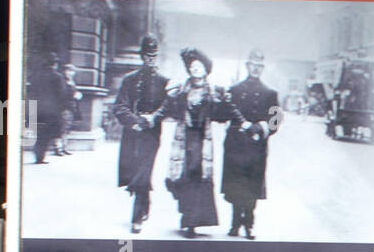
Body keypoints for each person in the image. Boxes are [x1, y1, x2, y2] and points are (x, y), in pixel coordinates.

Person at [163, 48, 251, 238]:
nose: (195, 69)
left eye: (199, 66)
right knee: (184, 176)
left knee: (198, 176)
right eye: (192, 66)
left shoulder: (213, 92)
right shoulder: (181, 90)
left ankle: (193, 223)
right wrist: (161, 107)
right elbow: (168, 109)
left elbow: (227, 110)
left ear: (206, 70)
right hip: (185, 139)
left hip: (202, 140)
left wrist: (242, 120)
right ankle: (187, 218)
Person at [223, 49, 281, 240]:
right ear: (247, 66)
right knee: (235, 185)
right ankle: (234, 224)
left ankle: (249, 224)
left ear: (262, 69)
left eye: (259, 66)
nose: (255, 69)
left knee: (252, 186)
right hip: (236, 145)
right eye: (252, 65)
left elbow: (275, 121)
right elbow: (225, 115)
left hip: (257, 147)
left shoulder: (270, 93)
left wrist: (260, 127)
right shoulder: (234, 90)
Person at [115, 34, 168, 232]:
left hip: (152, 134)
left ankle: (136, 217)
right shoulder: (129, 80)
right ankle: (145, 201)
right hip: (133, 133)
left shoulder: (164, 82)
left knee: (143, 171)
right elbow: (119, 106)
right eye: (147, 55)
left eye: (154, 55)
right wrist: (134, 122)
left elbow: (169, 107)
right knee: (136, 171)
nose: (151, 59)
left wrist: (154, 118)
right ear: (141, 56)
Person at [28, 53, 72, 164]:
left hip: (36, 109)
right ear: (55, 64)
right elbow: (62, 94)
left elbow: (30, 91)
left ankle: (38, 156)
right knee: (46, 135)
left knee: (38, 133)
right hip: (51, 111)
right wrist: (63, 108)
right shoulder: (57, 76)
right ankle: (40, 157)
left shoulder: (35, 75)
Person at [54, 64, 84, 156]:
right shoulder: (62, 80)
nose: (71, 73)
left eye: (72, 71)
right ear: (65, 71)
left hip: (71, 107)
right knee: (61, 128)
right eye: (69, 71)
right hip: (64, 107)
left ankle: (64, 147)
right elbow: (61, 94)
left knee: (66, 128)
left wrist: (77, 94)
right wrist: (73, 95)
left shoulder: (71, 81)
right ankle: (58, 148)